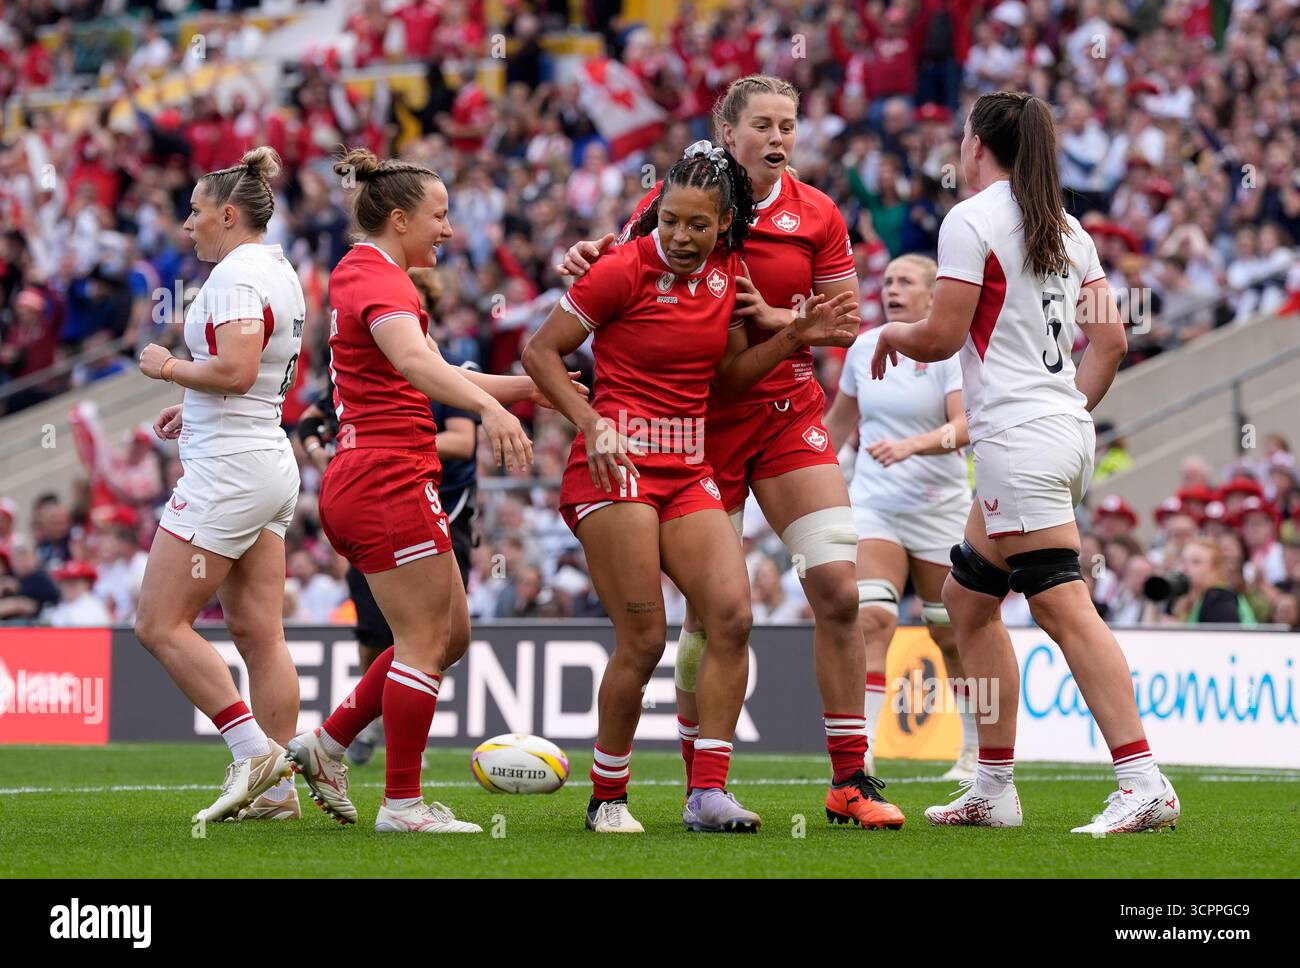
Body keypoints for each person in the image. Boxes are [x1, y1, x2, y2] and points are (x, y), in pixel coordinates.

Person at [560, 76, 904, 830]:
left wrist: (783, 318)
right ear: (727, 128)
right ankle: (701, 785)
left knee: (840, 591)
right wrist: (588, 253)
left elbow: (843, 325)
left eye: (789, 123)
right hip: (693, 426)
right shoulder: (680, 203)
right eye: (763, 125)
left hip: (783, 415)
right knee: (706, 621)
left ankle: (852, 778)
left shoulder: (817, 214)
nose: (779, 138)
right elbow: (626, 267)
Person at [871, 91, 1180, 833]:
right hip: (1059, 432)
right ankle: (994, 786)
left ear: (978, 145)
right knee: (970, 602)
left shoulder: (969, 219)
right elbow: (1110, 344)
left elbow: (943, 335)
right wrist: (1066, 409)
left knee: (1061, 606)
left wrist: (892, 332)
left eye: (962, 135)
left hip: (1015, 439)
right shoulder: (1068, 227)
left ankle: (1143, 781)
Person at [284, 147, 538, 835]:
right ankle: (402, 806)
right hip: (385, 478)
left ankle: (327, 741)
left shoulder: (373, 274)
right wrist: (492, 411)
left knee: (447, 635)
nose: (449, 230)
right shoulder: (378, 278)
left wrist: (532, 387)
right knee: (426, 639)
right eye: (440, 215)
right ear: (399, 219)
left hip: (385, 475)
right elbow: (416, 363)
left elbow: (429, 366)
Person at [134, 147, 306, 824]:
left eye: (197, 211)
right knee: (260, 632)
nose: (187, 224)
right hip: (265, 458)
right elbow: (254, 375)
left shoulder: (233, 277)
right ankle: (282, 790)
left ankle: (252, 752)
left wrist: (171, 368)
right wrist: (196, 404)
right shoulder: (279, 269)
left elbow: (234, 369)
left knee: (156, 622)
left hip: (231, 470)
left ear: (228, 214)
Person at [823, 253, 977, 781]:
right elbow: (838, 427)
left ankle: (975, 751)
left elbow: (965, 428)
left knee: (951, 635)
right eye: (887, 280)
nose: (892, 288)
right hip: (875, 505)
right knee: (872, 619)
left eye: (905, 281)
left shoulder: (950, 354)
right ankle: (862, 752)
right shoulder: (863, 348)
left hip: (939, 509)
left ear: (933, 296)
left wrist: (912, 447)